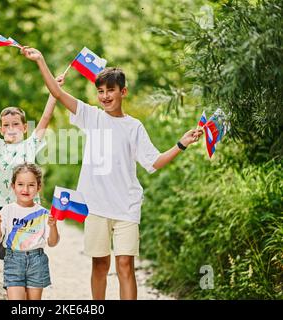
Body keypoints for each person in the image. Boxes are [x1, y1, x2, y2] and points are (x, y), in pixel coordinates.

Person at [21, 46, 203, 300]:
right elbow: (57, 92)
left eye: (110, 91)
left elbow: (154, 162)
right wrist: (40, 60)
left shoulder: (134, 127)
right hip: (96, 206)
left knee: (125, 265)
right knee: (100, 265)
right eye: (101, 92)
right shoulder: (91, 116)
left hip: (127, 207)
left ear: (123, 91)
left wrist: (181, 143)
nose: (105, 96)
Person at [0, 74, 63, 259]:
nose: (11, 128)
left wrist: (53, 92)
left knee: (31, 253)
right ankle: (13, 287)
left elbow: (46, 116)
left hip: (31, 208)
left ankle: (30, 285)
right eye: (6, 125)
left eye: (16, 124)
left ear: (24, 128)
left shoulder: (30, 144)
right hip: (5, 209)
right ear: (1, 130)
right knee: (10, 257)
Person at [0, 163, 59, 300]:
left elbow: (52, 242)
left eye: (31, 185)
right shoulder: (8, 210)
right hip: (13, 260)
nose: (25, 189)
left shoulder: (43, 213)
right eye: (20, 184)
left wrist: (53, 226)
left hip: (37, 261)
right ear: (13, 186)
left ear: (38, 187)